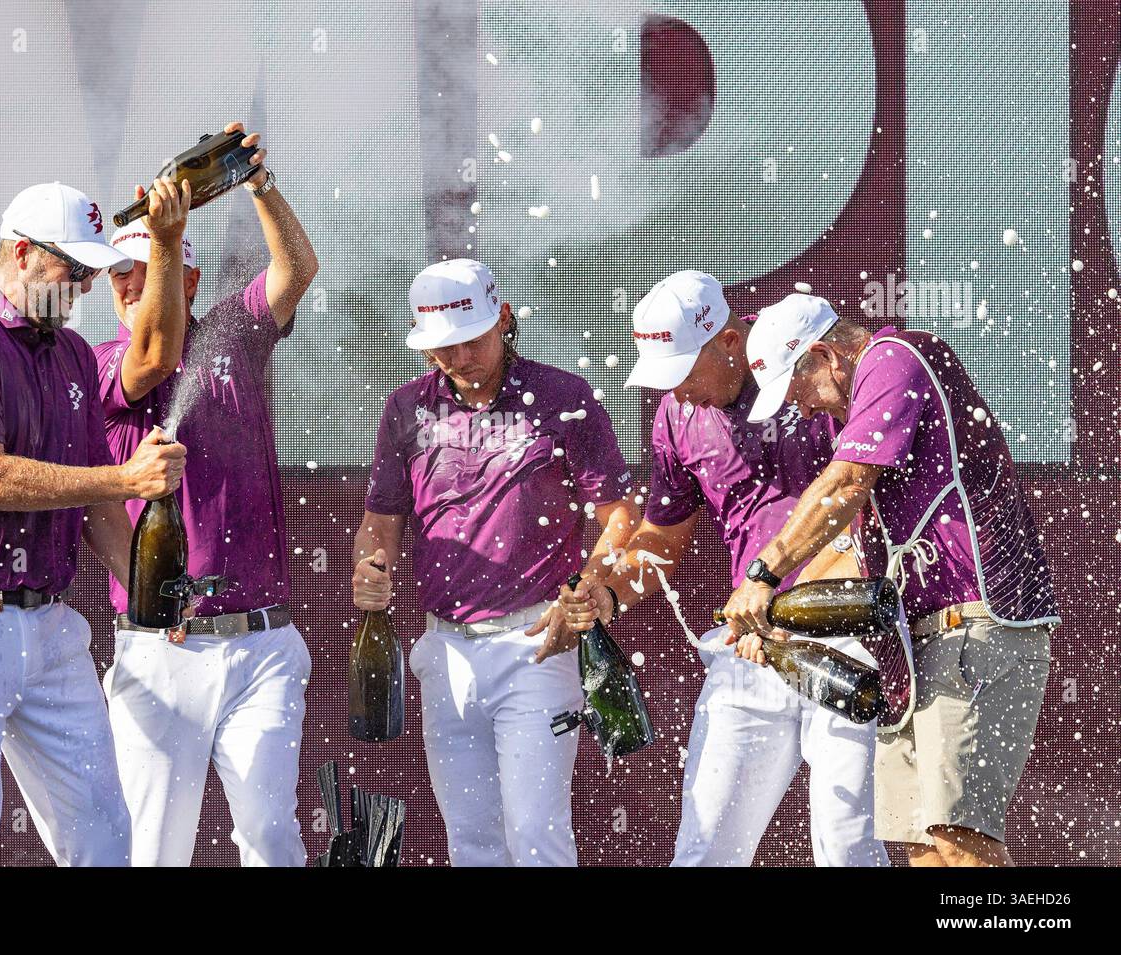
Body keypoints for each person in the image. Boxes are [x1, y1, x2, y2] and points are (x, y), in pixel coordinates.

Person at [0, 181, 186, 866]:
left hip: (48, 628)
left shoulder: (76, 355)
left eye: (89, 270)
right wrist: (125, 476)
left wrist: (152, 594)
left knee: (106, 836)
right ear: (21, 252)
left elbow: (100, 509)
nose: (82, 284)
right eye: (70, 268)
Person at [560, 277, 888, 866]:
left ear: (731, 341)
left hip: (853, 637)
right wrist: (606, 591)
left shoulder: (812, 367)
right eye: (665, 379)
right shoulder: (674, 417)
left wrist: (789, 585)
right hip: (751, 645)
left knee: (848, 847)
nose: (678, 392)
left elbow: (858, 491)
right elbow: (663, 535)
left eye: (684, 372)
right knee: (706, 848)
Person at [723, 294, 1060, 866]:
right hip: (915, 645)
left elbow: (843, 483)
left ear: (826, 355)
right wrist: (771, 615)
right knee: (919, 845)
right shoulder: (866, 419)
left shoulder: (895, 355)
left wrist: (761, 574)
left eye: (799, 391)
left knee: (962, 842)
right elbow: (850, 555)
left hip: (977, 625)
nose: (802, 412)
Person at [352, 258, 638, 866]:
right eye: (440, 349)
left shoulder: (562, 397)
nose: (456, 360)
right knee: (473, 841)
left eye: (469, 341)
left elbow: (618, 515)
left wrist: (586, 593)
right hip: (445, 649)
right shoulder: (406, 407)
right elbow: (382, 521)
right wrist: (370, 567)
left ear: (504, 318)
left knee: (536, 834)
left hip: (534, 642)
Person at [94, 123, 320, 867]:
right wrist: (162, 236)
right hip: (161, 650)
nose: (129, 289)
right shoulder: (101, 365)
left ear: (187, 279)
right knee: (152, 852)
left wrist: (258, 183)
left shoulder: (234, 331)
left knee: (272, 840)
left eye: (145, 273)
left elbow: (298, 267)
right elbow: (151, 356)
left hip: (260, 642)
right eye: (120, 278)